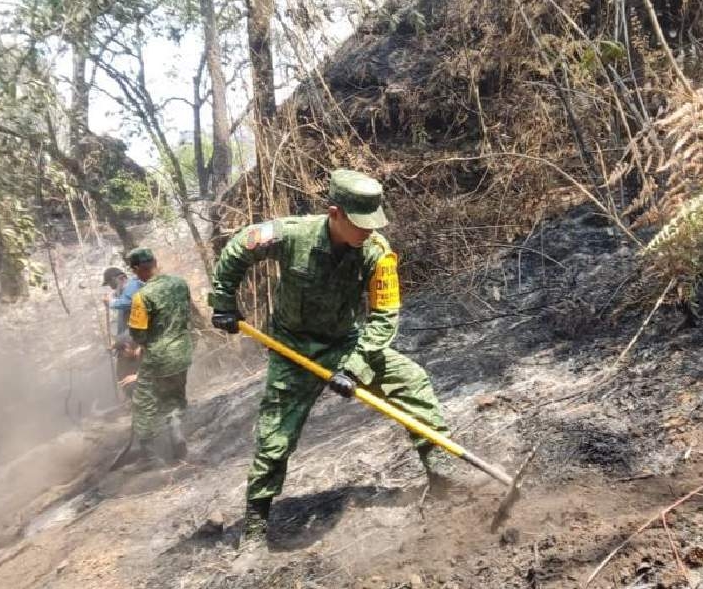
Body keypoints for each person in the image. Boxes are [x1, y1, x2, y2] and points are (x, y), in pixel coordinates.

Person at [209, 169, 452, 549]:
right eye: (360, 224)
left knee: (411, 381)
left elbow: (385, 317)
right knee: (275, 438)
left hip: (346, 343)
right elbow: (241, 245)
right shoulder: (292, 234)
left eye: (374, 223)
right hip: (293, 348)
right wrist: (223, 301)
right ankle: (254, 531)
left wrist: (353, 368)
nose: (368, 232)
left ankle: (443, 472)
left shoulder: (377, 253)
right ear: (334, 213)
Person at [124, 247, 194, 466]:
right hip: (182, 351)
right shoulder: (180, 283)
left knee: (143, 403)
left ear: (136, 269)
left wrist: (137, 348)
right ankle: (177, 442)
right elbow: (186, 314)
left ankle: (149, 457)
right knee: (173, 398)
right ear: (155, 261)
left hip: (159, 357)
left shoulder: (142, 297)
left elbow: (138, 334)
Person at [103, 266, 143, 395]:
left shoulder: (133, 285)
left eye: (111, 283)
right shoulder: (121, 293)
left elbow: (129, 302)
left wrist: (111, 302)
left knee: (132, 378)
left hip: (137, 342)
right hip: (127, 342)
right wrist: (117, 342)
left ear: (121, 278)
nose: (111, 287)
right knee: (123, 376)